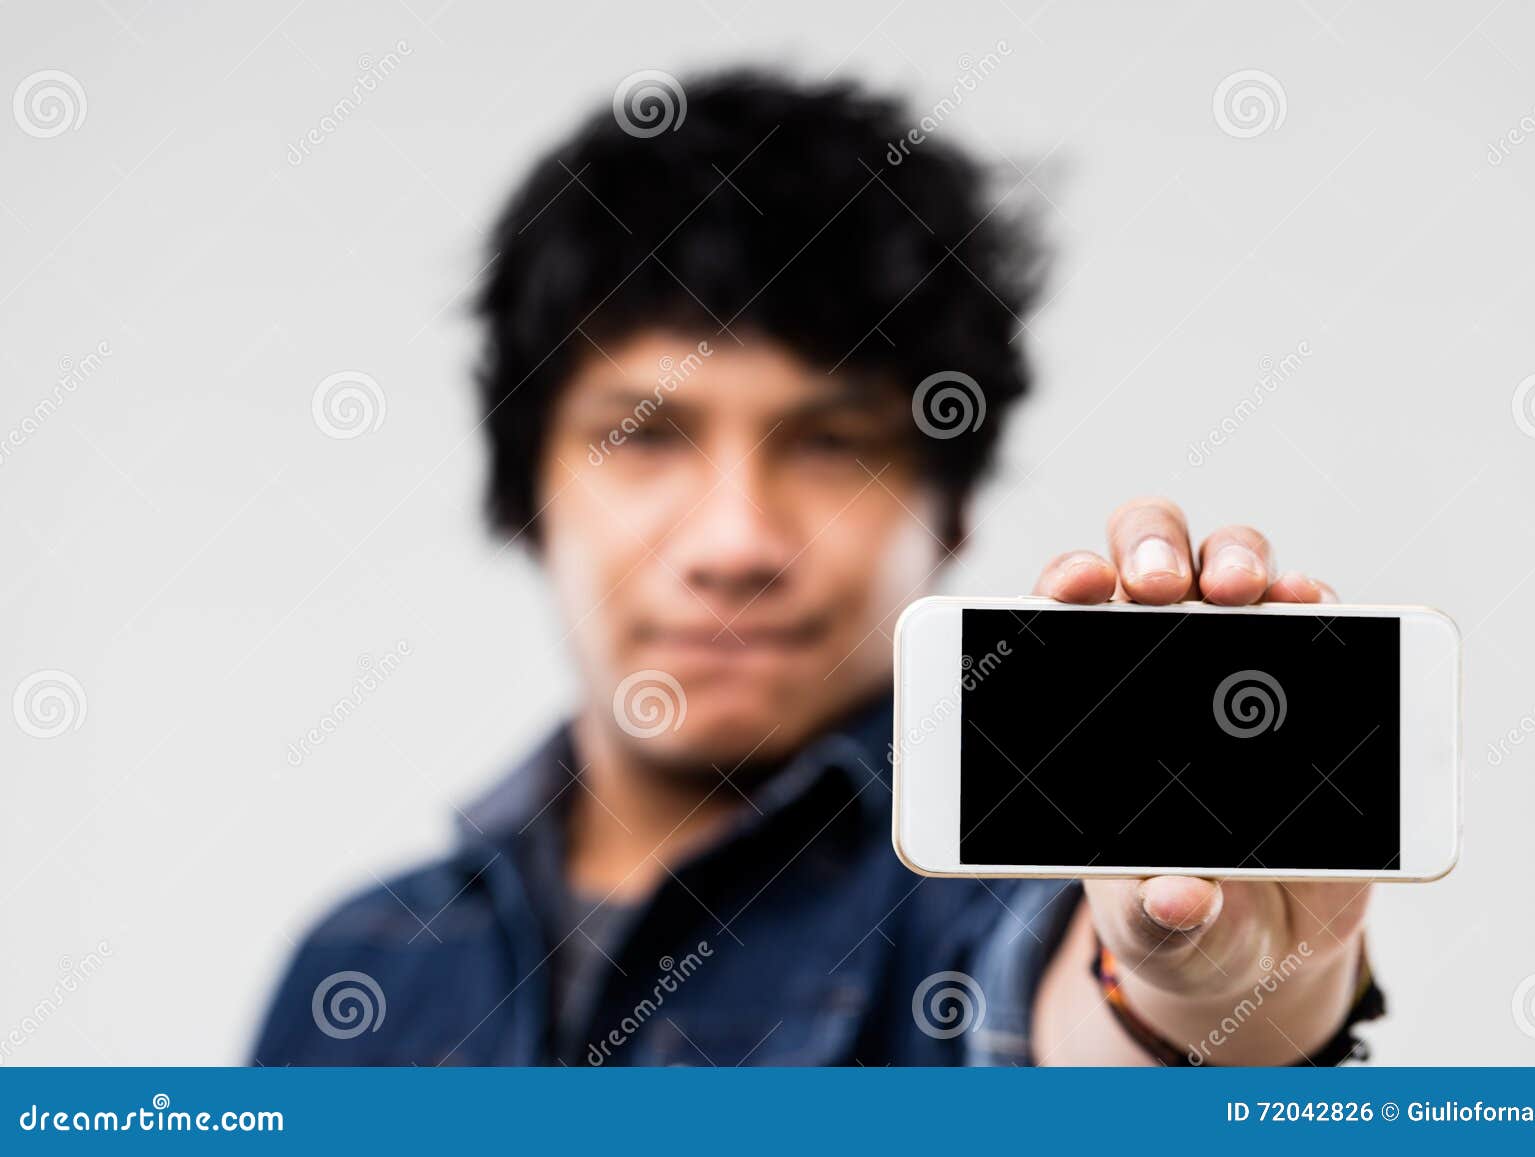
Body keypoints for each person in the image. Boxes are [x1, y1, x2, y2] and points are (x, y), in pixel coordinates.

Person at [254, 68, 1382, 1066]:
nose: (735, 543)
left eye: (831, 443)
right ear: (526, 495)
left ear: (949, 510)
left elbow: (1077, 1008)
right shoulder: (358, 970)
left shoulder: (996, 891)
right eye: (645, 434)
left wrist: (1210, 992)